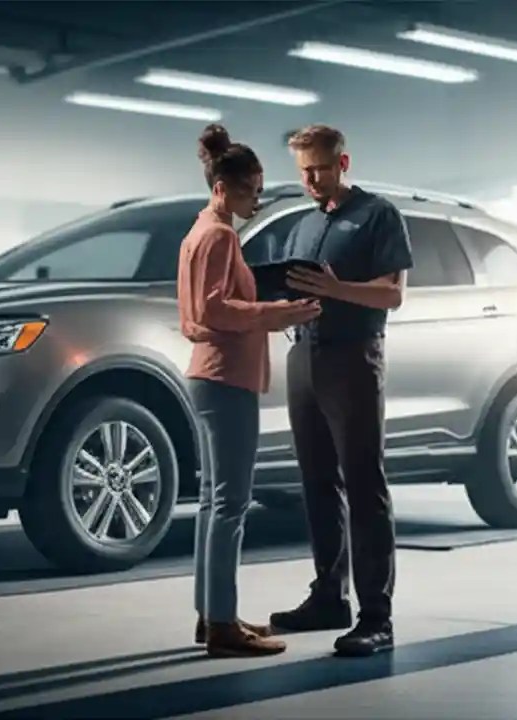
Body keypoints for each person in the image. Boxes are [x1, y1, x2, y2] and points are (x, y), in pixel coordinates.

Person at [177, 123, 322, 658]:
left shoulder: (199, 231)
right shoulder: (219, 236)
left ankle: (211, 615)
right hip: (225, 377)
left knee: (215, 504)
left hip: (208, 375)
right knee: (232, 504)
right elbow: (213, 309)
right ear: (223, 187)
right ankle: (221, 626)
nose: (257, 199)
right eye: (251, 190)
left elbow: (196, 314)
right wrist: (278, 312)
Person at [271, 124, 414, 657]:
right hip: (303, 355)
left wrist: (335, 289)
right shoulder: (303, 226)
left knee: (363, 483)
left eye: (320, 169)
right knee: (316, 482)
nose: (311, 179)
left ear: (343, 163)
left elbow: (392, 294)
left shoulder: (378, 215)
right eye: (303, 171)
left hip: (354, 357)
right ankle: (330, 595)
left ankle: (377, 617)